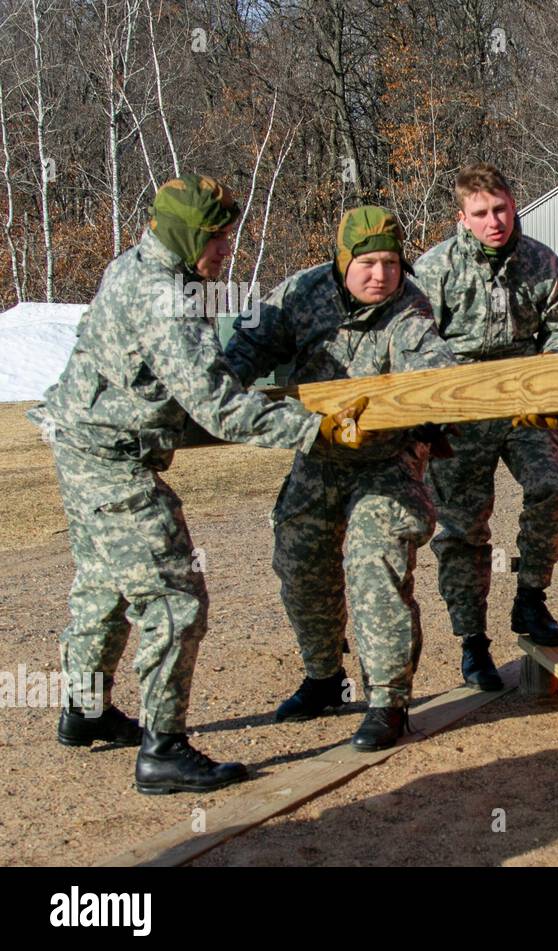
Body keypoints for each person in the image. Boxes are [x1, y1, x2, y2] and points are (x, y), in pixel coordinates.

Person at [28, 174, 367, 793]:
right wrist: (312, 427)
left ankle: (85, 710)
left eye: (229, 238)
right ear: (186, 235)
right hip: (112, 462)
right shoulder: (164, 297)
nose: (225, 252)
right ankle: (163, 750)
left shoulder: (138, 262)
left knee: (103, 588)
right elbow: (217, 405)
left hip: (82, 445)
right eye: (217, 240)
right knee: (172, 598)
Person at [225, 206, 457, 751]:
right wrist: (215, 391)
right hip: (319, 454)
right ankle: (324, 677)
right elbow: (244, 350)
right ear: (342, 259)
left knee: (374, 559)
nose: (382, 275)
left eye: (392, 263)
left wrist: (431, 404)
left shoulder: (409, 309)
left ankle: (387, 701)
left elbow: (435, 367)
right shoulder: (298, 295)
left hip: (387, 460)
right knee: (299, 560)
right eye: (369, 263)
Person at [411, 164, 558, 690]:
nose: (495, 222)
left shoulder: (540, 262)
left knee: (556, 489)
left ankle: (530, 599)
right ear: (462, 218)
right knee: (463, 530)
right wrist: (443, 397)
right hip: (459, 410)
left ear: (514, 205)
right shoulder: (434, 268)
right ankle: (473, 644)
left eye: (502, 209)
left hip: (523, 405)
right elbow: (415, 335)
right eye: (482, 214)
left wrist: (546, 377)